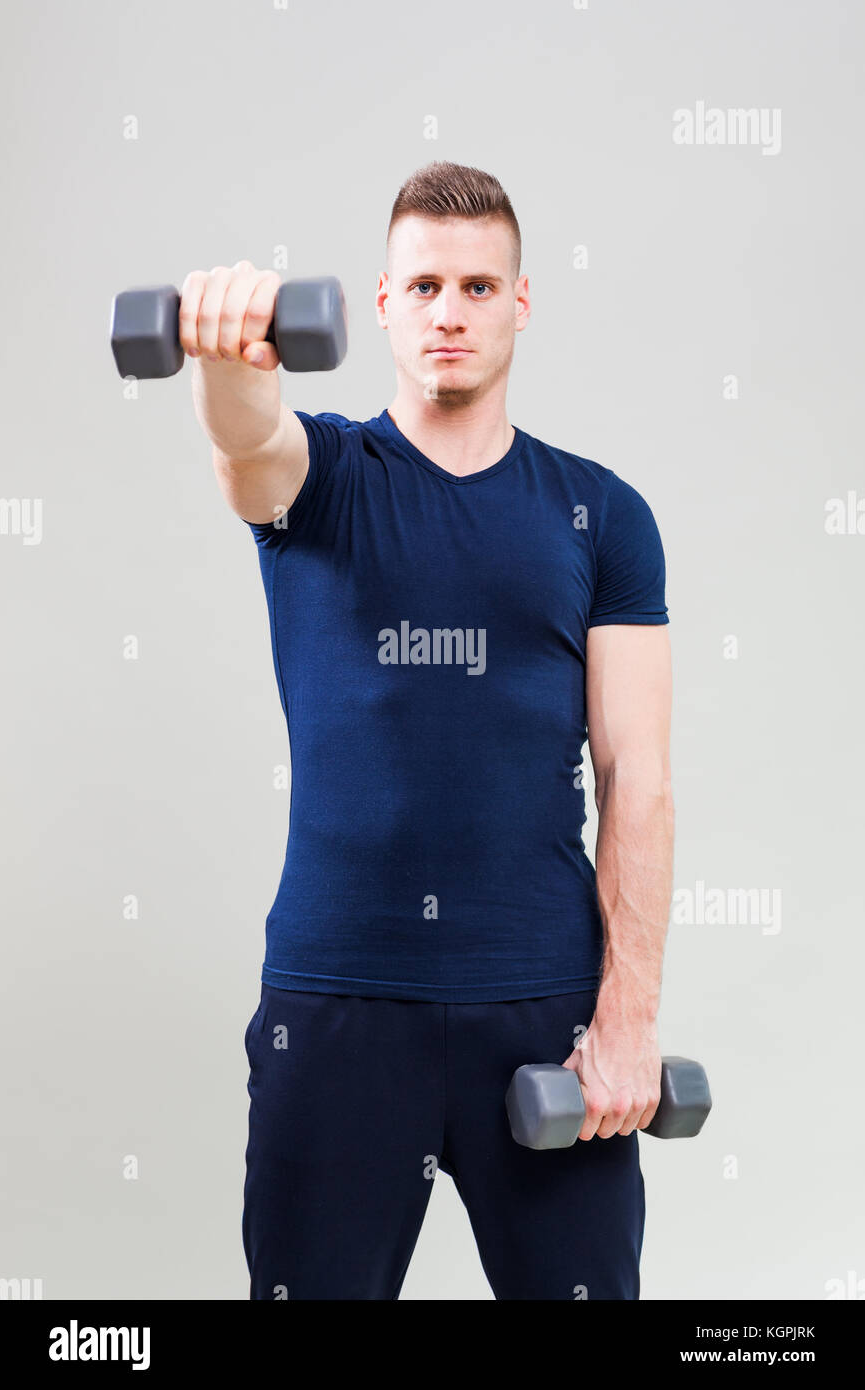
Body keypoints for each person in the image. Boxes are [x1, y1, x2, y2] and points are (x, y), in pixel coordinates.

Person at [183, 160, 674, 1300]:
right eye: (424, 286)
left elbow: (636, 778)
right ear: (383, 302)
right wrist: (224, 357)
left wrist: (626, 1020)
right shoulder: (328, 476)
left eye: (476, 285)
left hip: (546, 1007)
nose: (449, 311)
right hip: (338, 1000)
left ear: (518, 302)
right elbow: (246, 443)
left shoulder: (600, 513)